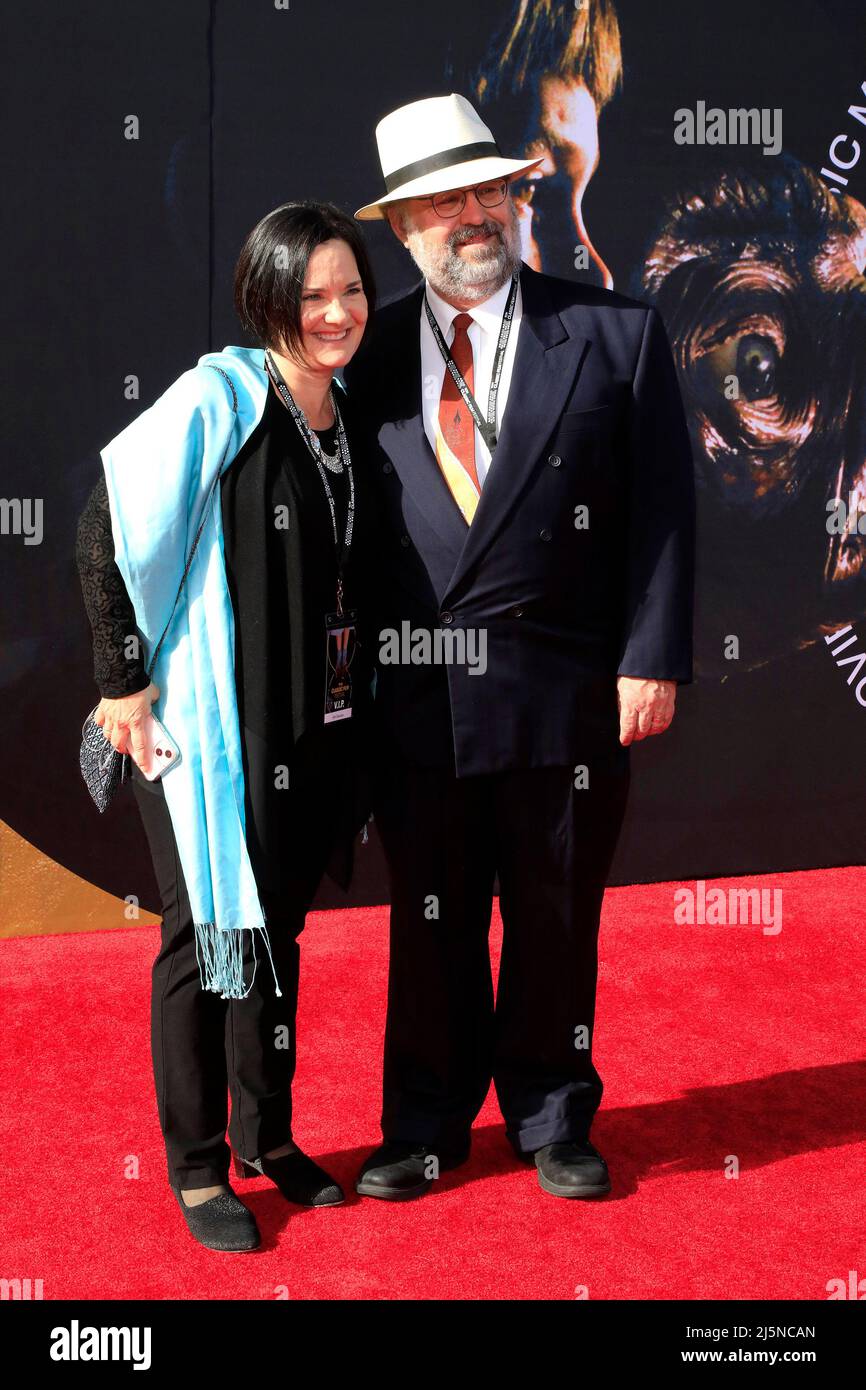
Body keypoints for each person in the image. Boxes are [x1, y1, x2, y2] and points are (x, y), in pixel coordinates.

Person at [346, 94, 695, 1200]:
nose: (468, 217)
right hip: (417, 702)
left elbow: (663, 515)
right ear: (399, 228)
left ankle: (552, 1112)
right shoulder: (357, 361)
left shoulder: (613, 333)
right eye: (437, 202)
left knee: (554, 912)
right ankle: (424, 1124)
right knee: (430, 917)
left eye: (484, 191)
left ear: (516, 196)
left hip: (566, 694)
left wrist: (652, 655)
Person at [76, 201, 376, 1250]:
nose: (335, 311)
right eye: (310, 295)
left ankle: (267, 1134)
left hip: (307, 727)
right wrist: (122, 680)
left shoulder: (346, 414)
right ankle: (200, 1167)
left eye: (349, 289)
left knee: (273, 934)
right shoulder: (223, 396)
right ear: (266, 302)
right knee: (202, 931)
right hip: (200, 729)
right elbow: (105, 518)